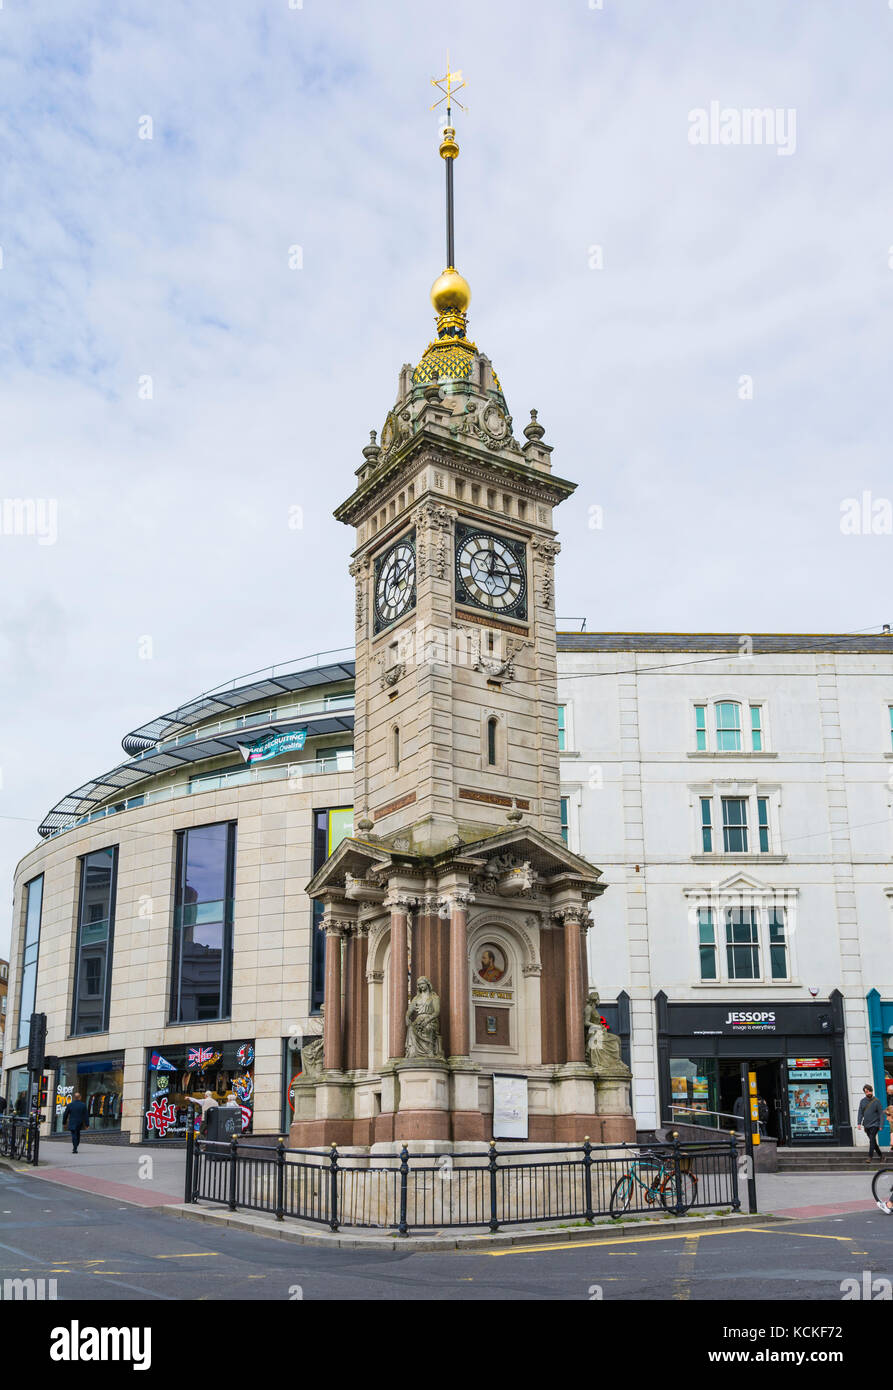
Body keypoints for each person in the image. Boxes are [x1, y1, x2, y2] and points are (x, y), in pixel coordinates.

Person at [857, 1085, 883, 1161]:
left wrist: (881, 1125)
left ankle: (870, 1157)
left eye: (869, 1091)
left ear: (871, 1091)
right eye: (866, 1092)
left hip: (875, 1124)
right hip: (866, 1125)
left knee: (871, 1139)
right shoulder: (862, 1101)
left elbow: (881, 1113)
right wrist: (859, 1123)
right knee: (873, 1141)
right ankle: (881, 1156)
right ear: (865, 1092)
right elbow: (860, 1113)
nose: (868, 1093)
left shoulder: (877, 1101)